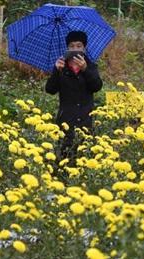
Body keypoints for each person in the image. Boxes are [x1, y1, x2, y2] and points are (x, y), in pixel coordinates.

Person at [45, 30, 103, 177]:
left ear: (84, 48)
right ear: (67, 48)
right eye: (71, 46)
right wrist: (56, 71)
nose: (75, 49)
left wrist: (85, 70)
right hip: (66, 118)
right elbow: (50, 90)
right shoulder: (62, 66)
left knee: (85, 155)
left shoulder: (91, 66)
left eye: (79, 46)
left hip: (86, 118)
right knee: (65, 155)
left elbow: (96, 86)